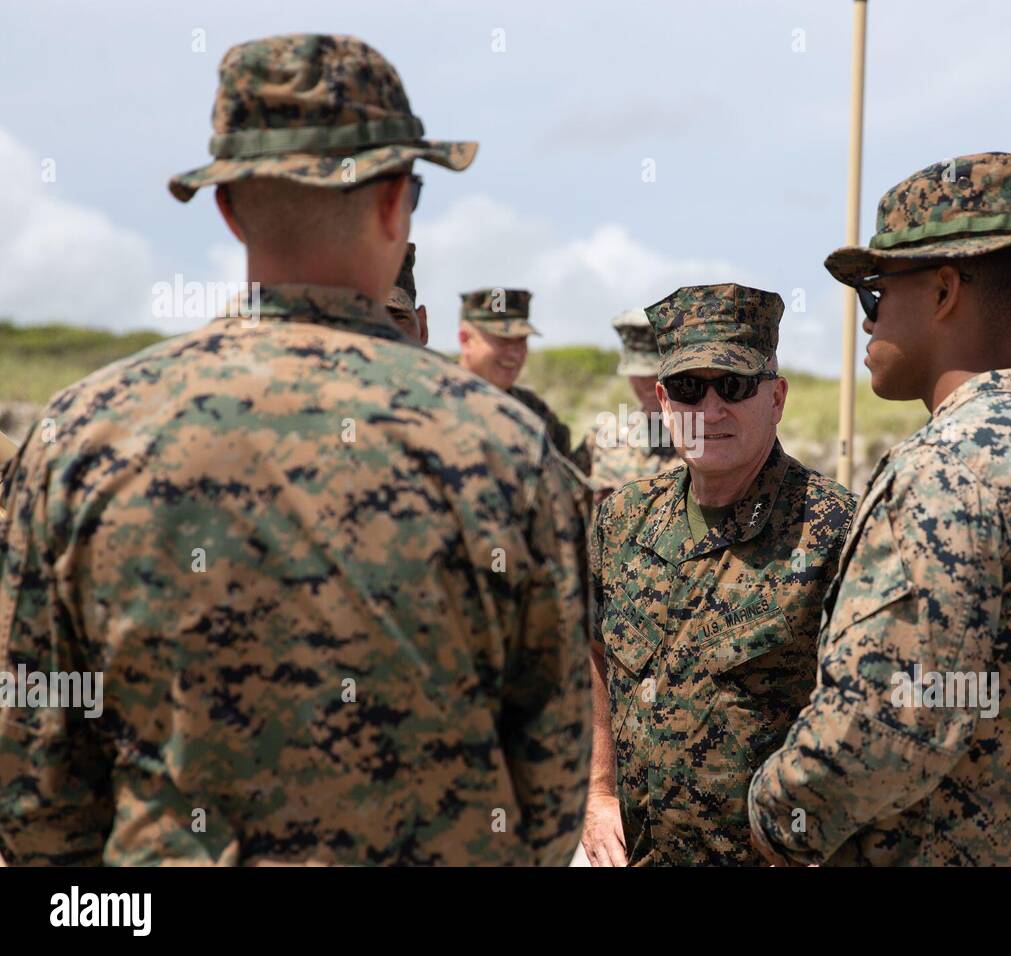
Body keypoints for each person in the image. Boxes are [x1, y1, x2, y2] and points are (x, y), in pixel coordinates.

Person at [0, 33, 589, 866]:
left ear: (230, 207)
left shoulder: (81, 435)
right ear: (396, 203)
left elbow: (34, 779)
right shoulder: (505, 446)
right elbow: (550, 781)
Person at [749, 151, 1011, 866]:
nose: (866, 322)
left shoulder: (947, 469)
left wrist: (772, 815)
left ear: (945, 289)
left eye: (876, 292)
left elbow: (880, 728)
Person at [583, 283, 854, 866]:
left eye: (733, 386)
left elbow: (876, 716)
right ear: (661, 398)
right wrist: (598, 791)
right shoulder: (622, 519)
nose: (710, 412)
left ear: (777, 397)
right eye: (687, 389)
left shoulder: (835, 529)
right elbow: (594, 653)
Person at [457, 288, 578, 465]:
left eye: (521, 340)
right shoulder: (430, 399)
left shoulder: (536, 413)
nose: (514, 354)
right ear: (466, 339)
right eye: (503, 340)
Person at [579, 309, 680, 508]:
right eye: (638, 374)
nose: (646, 384)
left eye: (654, 374)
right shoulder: (601, 436)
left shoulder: (699, 441)